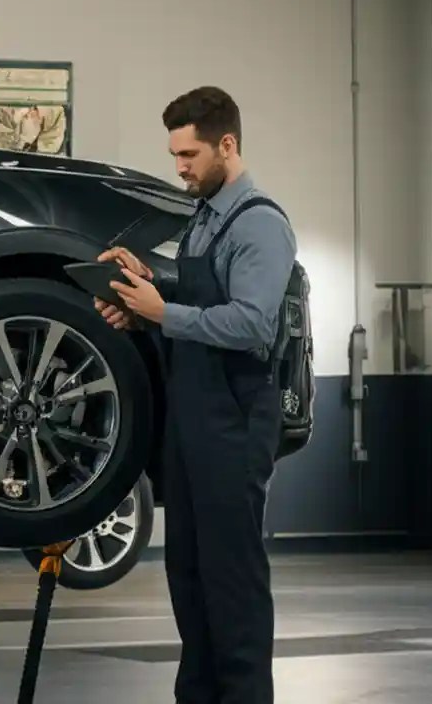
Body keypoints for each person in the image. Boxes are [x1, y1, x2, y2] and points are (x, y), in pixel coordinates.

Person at [97, 86, 296, 704]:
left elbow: (254, 325)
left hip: (235, 420)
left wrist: (167, 313)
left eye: (188, 155)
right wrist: (145, 300)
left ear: (226, 145)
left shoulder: (260, 224)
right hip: (192, 421)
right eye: (174, 154)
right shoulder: (204, 220)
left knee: (231, 579)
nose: (178, 167)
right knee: (187, 574)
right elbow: (198, 302)